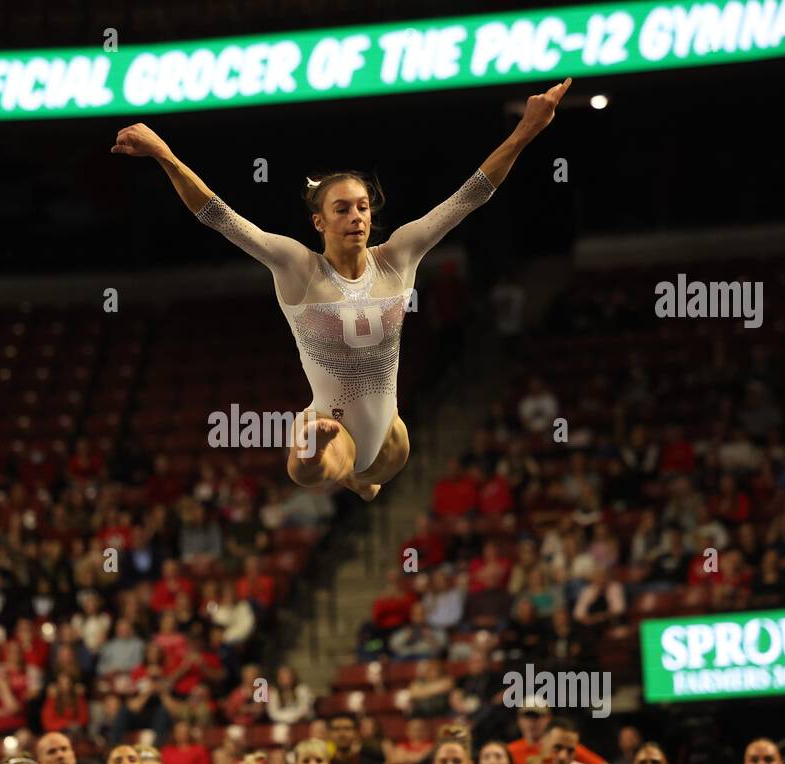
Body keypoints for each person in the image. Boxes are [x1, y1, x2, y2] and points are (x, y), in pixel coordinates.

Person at [111, 78, 572, 501]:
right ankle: (327, 459)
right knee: (310, 459)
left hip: (391, 440)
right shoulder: (297, 267)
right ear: (320, 221)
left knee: (389, 453)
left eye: (363, 207)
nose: (356, 216)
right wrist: (164, 155)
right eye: (342, 209)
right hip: (334, 425)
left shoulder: (400, 255)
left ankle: (356, 475)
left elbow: (470, 196)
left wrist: (525, 132)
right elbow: (219, 217)